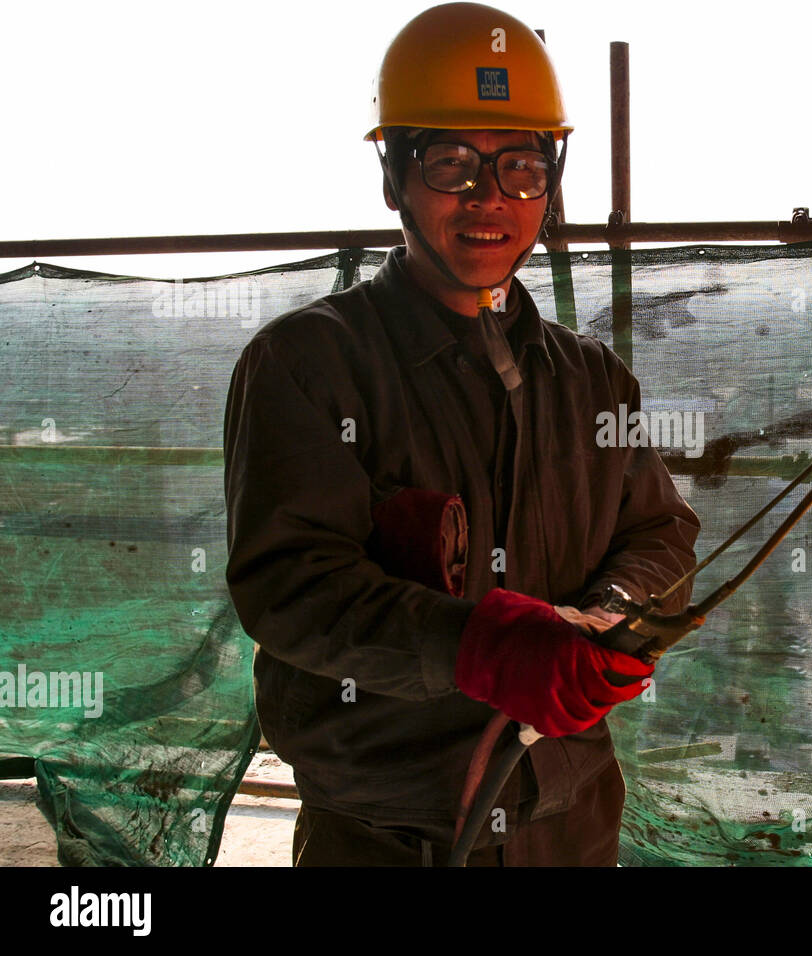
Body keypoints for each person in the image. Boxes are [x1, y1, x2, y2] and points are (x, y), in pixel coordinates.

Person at [222, 1, 700, 866]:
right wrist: (478, 648)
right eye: (451, 163)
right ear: (394, 176)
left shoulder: (593, 379)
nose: (490, 199)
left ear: (552, 181)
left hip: (574, 821)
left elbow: (661, 530)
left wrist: (606, 616)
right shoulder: (307, 365)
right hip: (387, 835)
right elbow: (290, 586)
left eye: (522, 166)